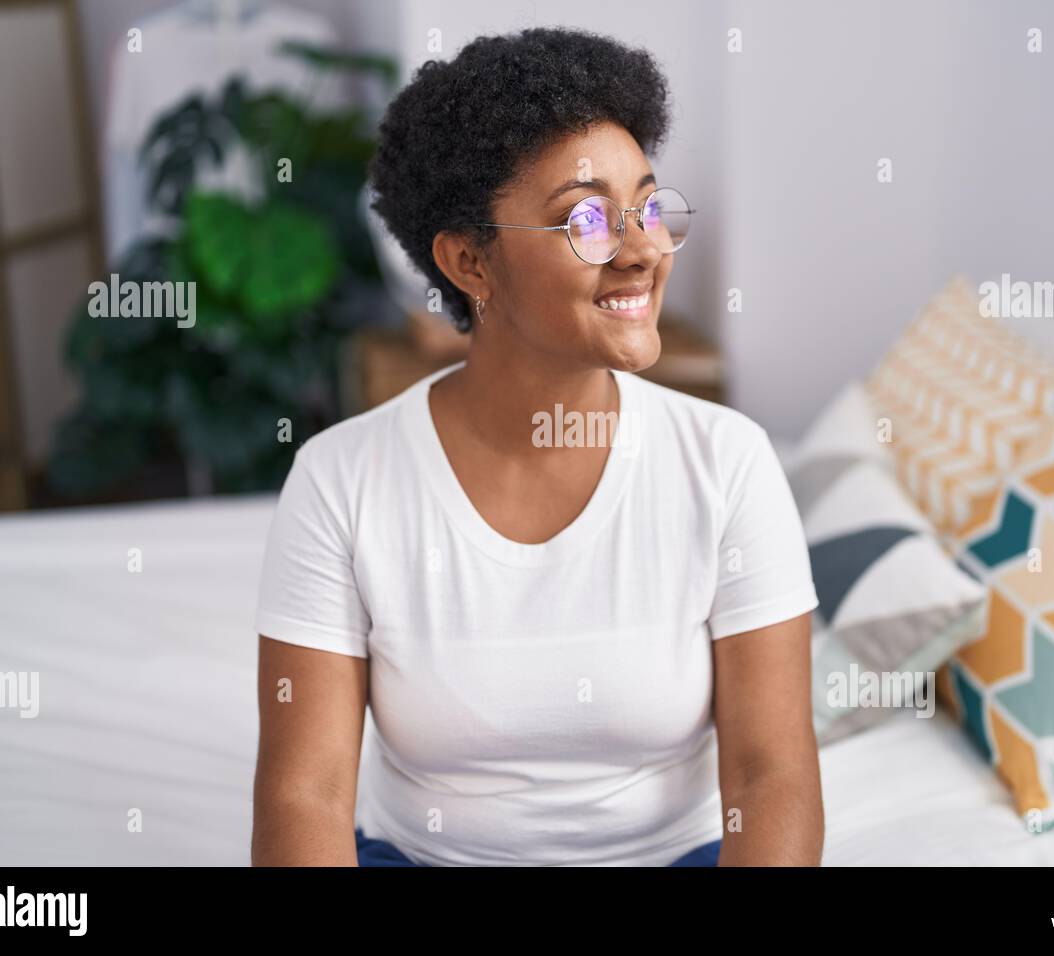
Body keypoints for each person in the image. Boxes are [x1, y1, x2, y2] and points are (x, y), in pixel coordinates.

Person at [251, 26, 823, 867]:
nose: (643, 250)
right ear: (469, 263)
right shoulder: (340, 482)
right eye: (585, 218)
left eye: (647, 206)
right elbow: (306, 795)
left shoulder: (727, 464)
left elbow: (771, 775)